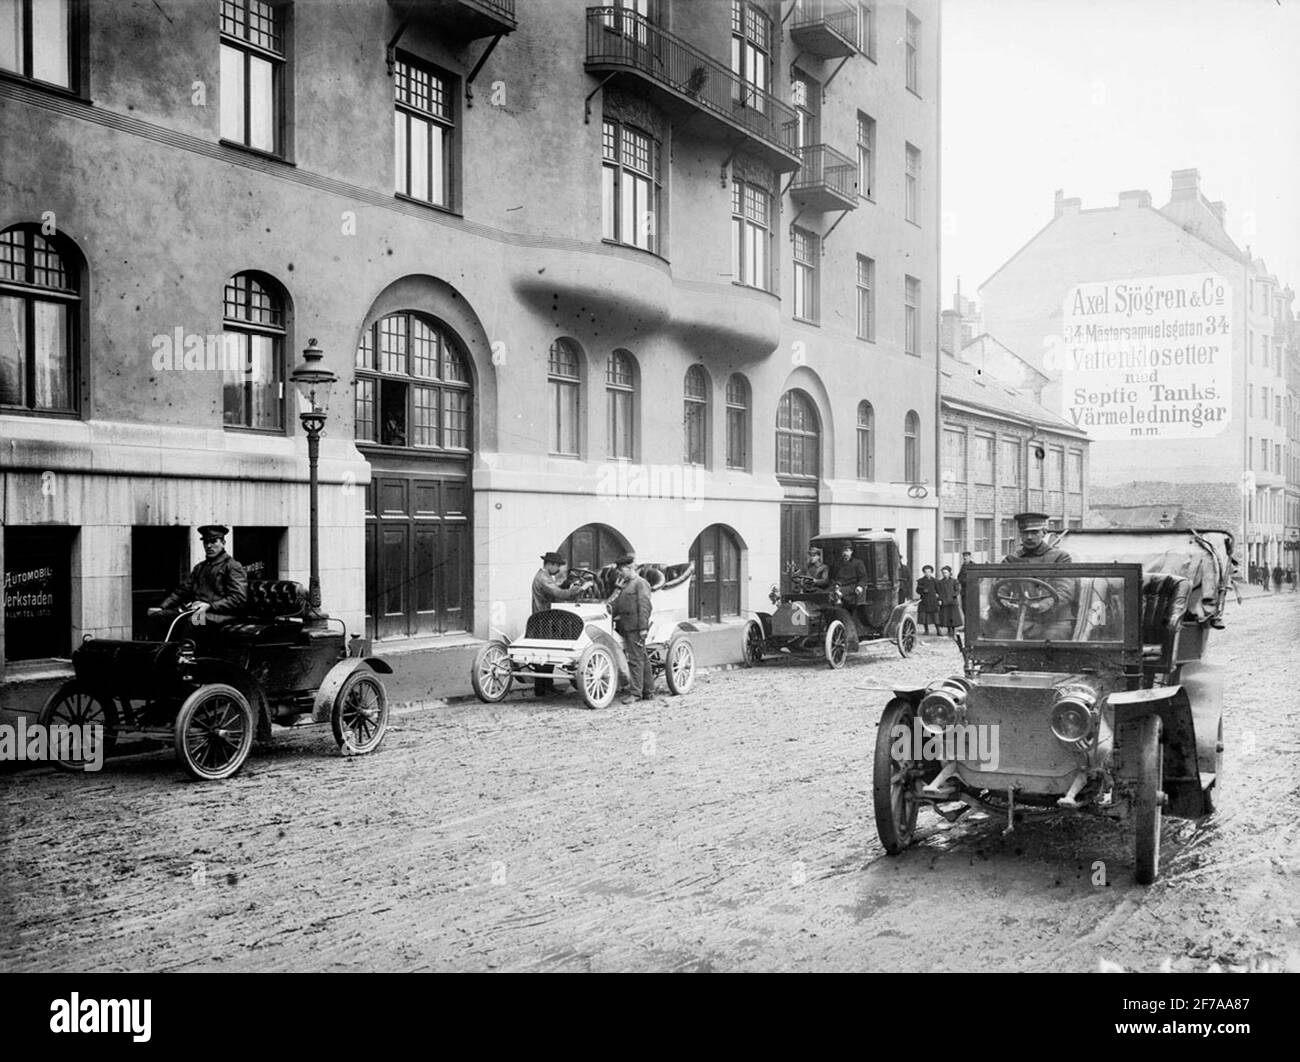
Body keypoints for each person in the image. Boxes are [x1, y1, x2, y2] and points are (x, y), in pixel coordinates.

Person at [995, 512, 1075, 639]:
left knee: (1050, 641)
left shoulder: (1060, 557)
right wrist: (1004, 602)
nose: (1029, 537)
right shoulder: (1011, 560)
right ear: (1020, 534)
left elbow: (1065, 590)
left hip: (1054, 620)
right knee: (999, 639)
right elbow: (1000, 588)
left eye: (1034, 532)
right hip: (1020, 620)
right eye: (1025, 533)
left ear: (1044, 533)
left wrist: (1042, 605)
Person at [158, 524, 248, 626]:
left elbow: (238, 598)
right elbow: (182, 591)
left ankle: (187, 643)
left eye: (213, 541)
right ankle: (164, 642)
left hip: (223, 615)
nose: (209, 546)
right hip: (199, 612)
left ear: (223, 543)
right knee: (160, 616)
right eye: (206, 542)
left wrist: (210, 605)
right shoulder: (199, 568)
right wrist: (162, 607)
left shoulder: (232, 566)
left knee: (194, 620)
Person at [531, 551, 587, 696]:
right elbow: (559, 594)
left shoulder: (545, 577)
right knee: (546, 654)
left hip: (543, 617)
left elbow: (555, 589)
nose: (559, 569)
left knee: (545, 654)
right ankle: (543, 687)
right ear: (550, 564)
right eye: (557, 566)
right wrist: (579, 589)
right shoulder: (543, 578)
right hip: (545, 618)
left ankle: (544, 687)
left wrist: (566, 584)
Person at [609, 553, 654, 703]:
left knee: (635, 660)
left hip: (635, 626)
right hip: (626, 626)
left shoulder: (640, 583)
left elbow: (645, 606)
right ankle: (648, 691)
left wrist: (643, 628)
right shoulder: (626, 585)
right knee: (642, 658)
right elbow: (617, 605)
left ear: (630, 568)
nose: (620, 574)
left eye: (622, 571)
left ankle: (635, 693)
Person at [937, 565, 962, 635]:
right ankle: (948, 630)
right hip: (944, 602)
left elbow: (957, 590)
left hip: (952, 602)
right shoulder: (940, 582)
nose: (944, 574)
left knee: (953, 616)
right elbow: (939, 592)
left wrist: (953, 595)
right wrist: (939, 599)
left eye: (946, 572)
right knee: (946, 616)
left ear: (949, 573)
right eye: (943, 573)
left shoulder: (954, 581)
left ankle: (953, 630)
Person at [915, 565, 939, 634]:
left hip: (933, 600)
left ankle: (938, 630)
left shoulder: (935, 581)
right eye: (926, 572)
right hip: (924, 600)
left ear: (931, 572)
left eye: (929, 572)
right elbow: (917, 590)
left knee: (935, 616)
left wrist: (938, 596)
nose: (927, 573)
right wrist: (922, 591)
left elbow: (938, 590)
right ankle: (926, 630)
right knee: (924, 616)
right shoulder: (921, 581)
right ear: (924, 573)